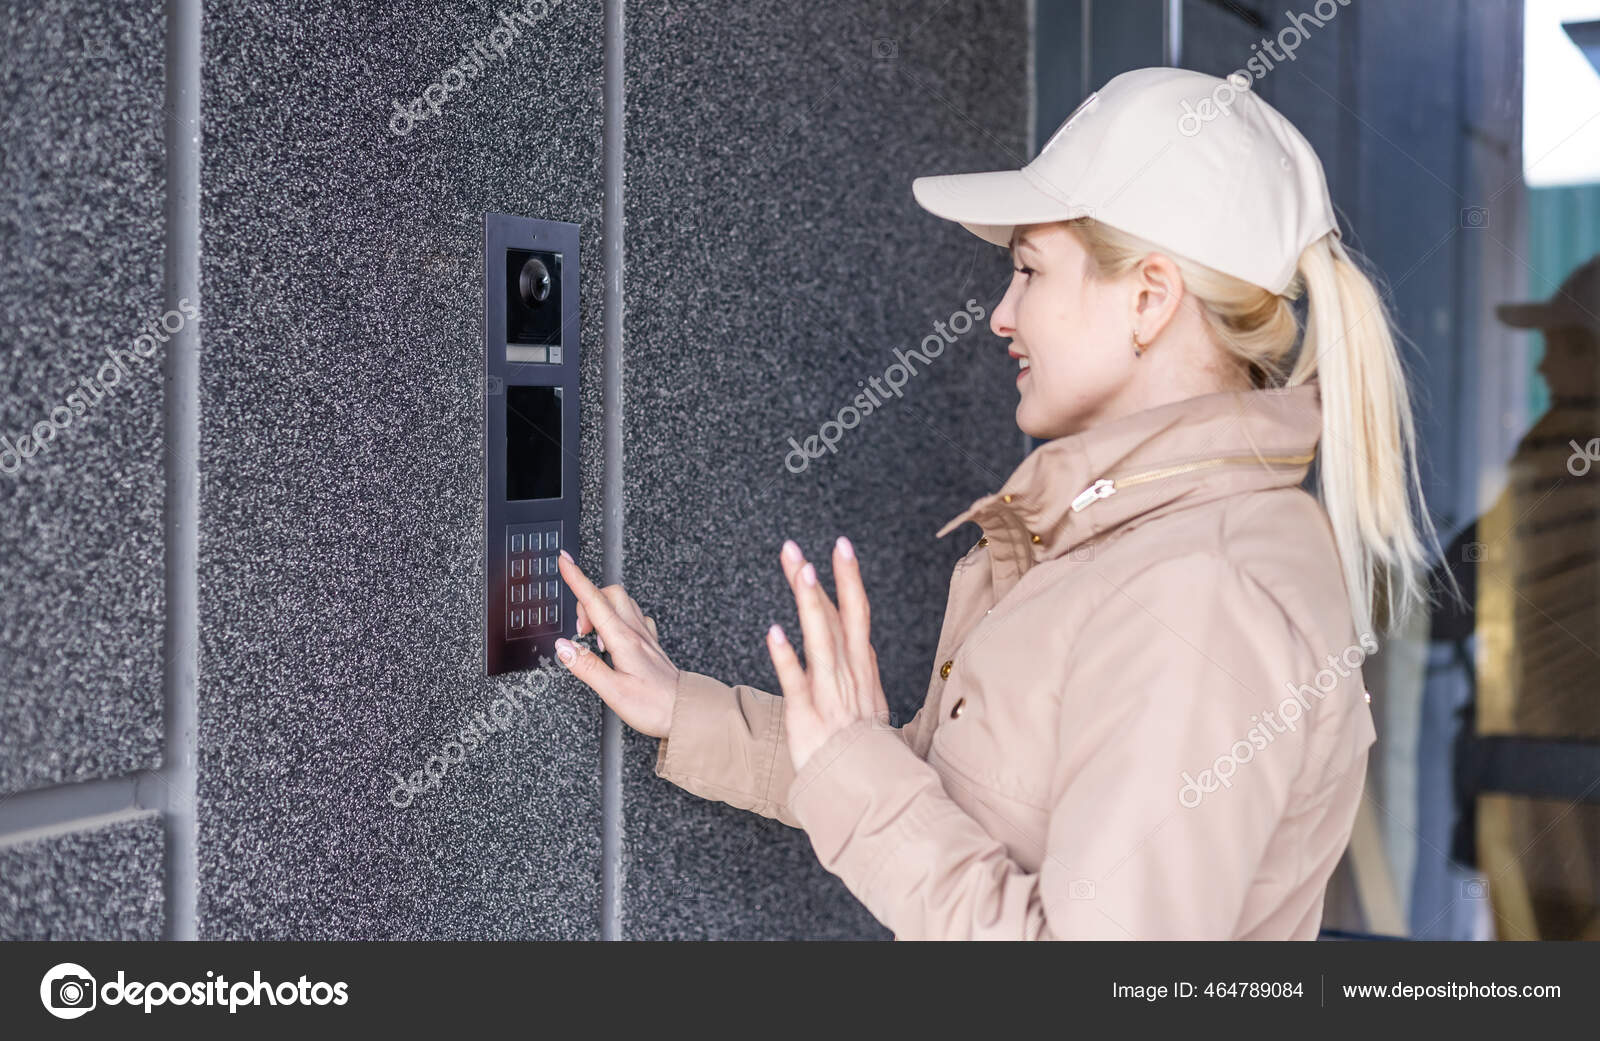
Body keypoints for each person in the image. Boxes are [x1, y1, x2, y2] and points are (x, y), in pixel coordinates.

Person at [553, 66, 1441, 939]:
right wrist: (684, 706)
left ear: (1149, 298)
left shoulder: (1198, 592)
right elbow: (938, 801)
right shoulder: (1135, 541)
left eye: (1030, 271)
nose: (999, 316)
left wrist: (858, 768)